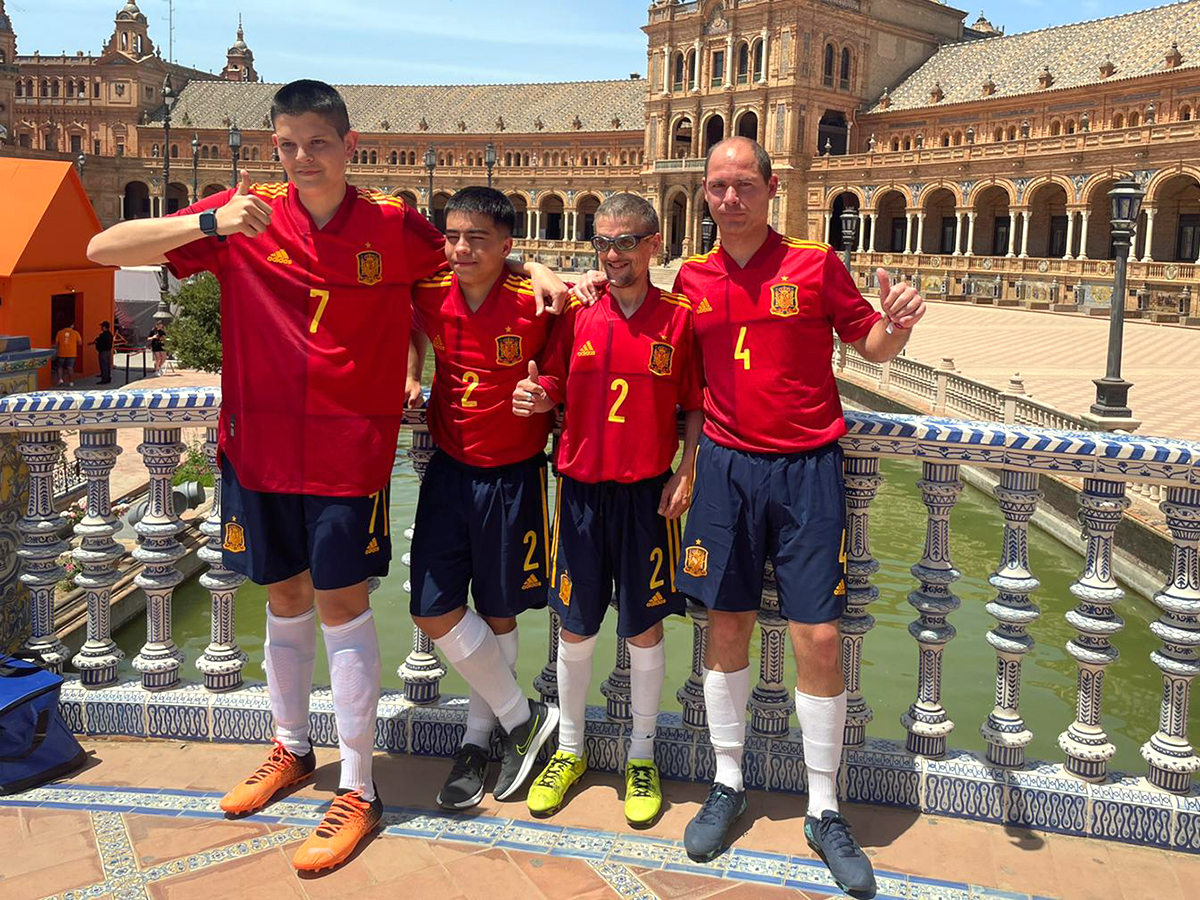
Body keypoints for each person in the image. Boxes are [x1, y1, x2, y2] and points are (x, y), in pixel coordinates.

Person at [86, 79, 567, 873]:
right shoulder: (242, 214)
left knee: (342, 606)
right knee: (282, 597)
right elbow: (105, 250)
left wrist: (540, 267)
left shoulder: (390, 223)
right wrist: (207, 219)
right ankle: (289, 748)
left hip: (349, 452)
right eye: (287, 144)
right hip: (258, 446)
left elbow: (471, 257)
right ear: (273, 147)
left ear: (349, 145)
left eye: (318, 142)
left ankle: (360, 786)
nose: (302, 157)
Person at [572, 137, 925, 893]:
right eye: (716, 187)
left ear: (771, 188)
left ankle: (824, 806)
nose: (728, 198)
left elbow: (872, 344)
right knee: (725, 626)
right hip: (726, 471)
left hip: (807, 471)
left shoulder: (815, 264)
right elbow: (662, 360)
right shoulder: (690, 279)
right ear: (703, 195)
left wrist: (897, 325)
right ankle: (727, 784)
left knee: (819, 635)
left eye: (741, 185)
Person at [513, 193, 701, 827]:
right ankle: (568, 749)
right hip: (582, 491)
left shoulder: (679, 318)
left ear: (653, 245)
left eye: (625, 242)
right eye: (602, 244)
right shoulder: (581, 310)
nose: (612, 254)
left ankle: (641, 757)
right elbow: (556, 379)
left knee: (645, 626)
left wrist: (688, 468)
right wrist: (539, 397)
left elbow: (696, 406)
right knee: (575, 625)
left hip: (647, 496)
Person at [404, 186, 560, 810]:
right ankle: (524, 718)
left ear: (508, 244)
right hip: (450, 469)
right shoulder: (429, 288)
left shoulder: (538, 302)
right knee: (430, 607)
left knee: (499, 613)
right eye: (454, 235)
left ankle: (478, 739)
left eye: (479, 238)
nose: (462, 248)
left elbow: (565, 363)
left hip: (515, 476)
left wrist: (546, 390)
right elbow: (402, 320)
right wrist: (414, 370)